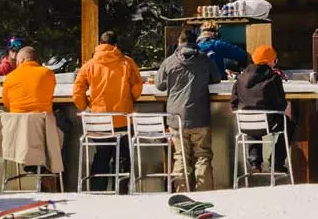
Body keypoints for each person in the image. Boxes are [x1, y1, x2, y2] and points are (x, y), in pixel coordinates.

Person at [73, 31, 143, 191]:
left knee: (101, 156)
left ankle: (98, 190)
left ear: (99, 45)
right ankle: (122, 190)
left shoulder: (89, 65)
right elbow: (137, 89)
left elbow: (77, 93)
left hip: (99, 122)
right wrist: (130, 99)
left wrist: (86, 106)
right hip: (123, 120)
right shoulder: (127, 63)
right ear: (116, 45)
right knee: (123, 156)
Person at [157, 27, 215, 192]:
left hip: (176, 118)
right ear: (195, 42)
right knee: (202, 155)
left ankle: (182, 192)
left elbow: (159, 85)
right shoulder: (205, 59)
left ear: (179, 42)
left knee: (180, 156)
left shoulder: (170, 61)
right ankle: (204, 192)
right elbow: (216, 78)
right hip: (200, 116)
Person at [233, 45, 288, 178]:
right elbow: (281, 104)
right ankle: (276, 162)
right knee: (289, 125)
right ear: (270, 61)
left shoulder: (240, 78)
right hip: (268, 123)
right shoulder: (273, 78)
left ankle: (255, 163)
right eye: (274, 60)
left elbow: (233, 102)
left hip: (245, 125)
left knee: (253, 121)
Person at [0, 46, 56, 114]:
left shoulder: (10, 77)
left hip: (18, 121)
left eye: (17, 61)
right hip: (42, 122)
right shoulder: (48, 73)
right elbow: (50, 96)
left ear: (22, 60)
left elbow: (6, 104)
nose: (16, 64)